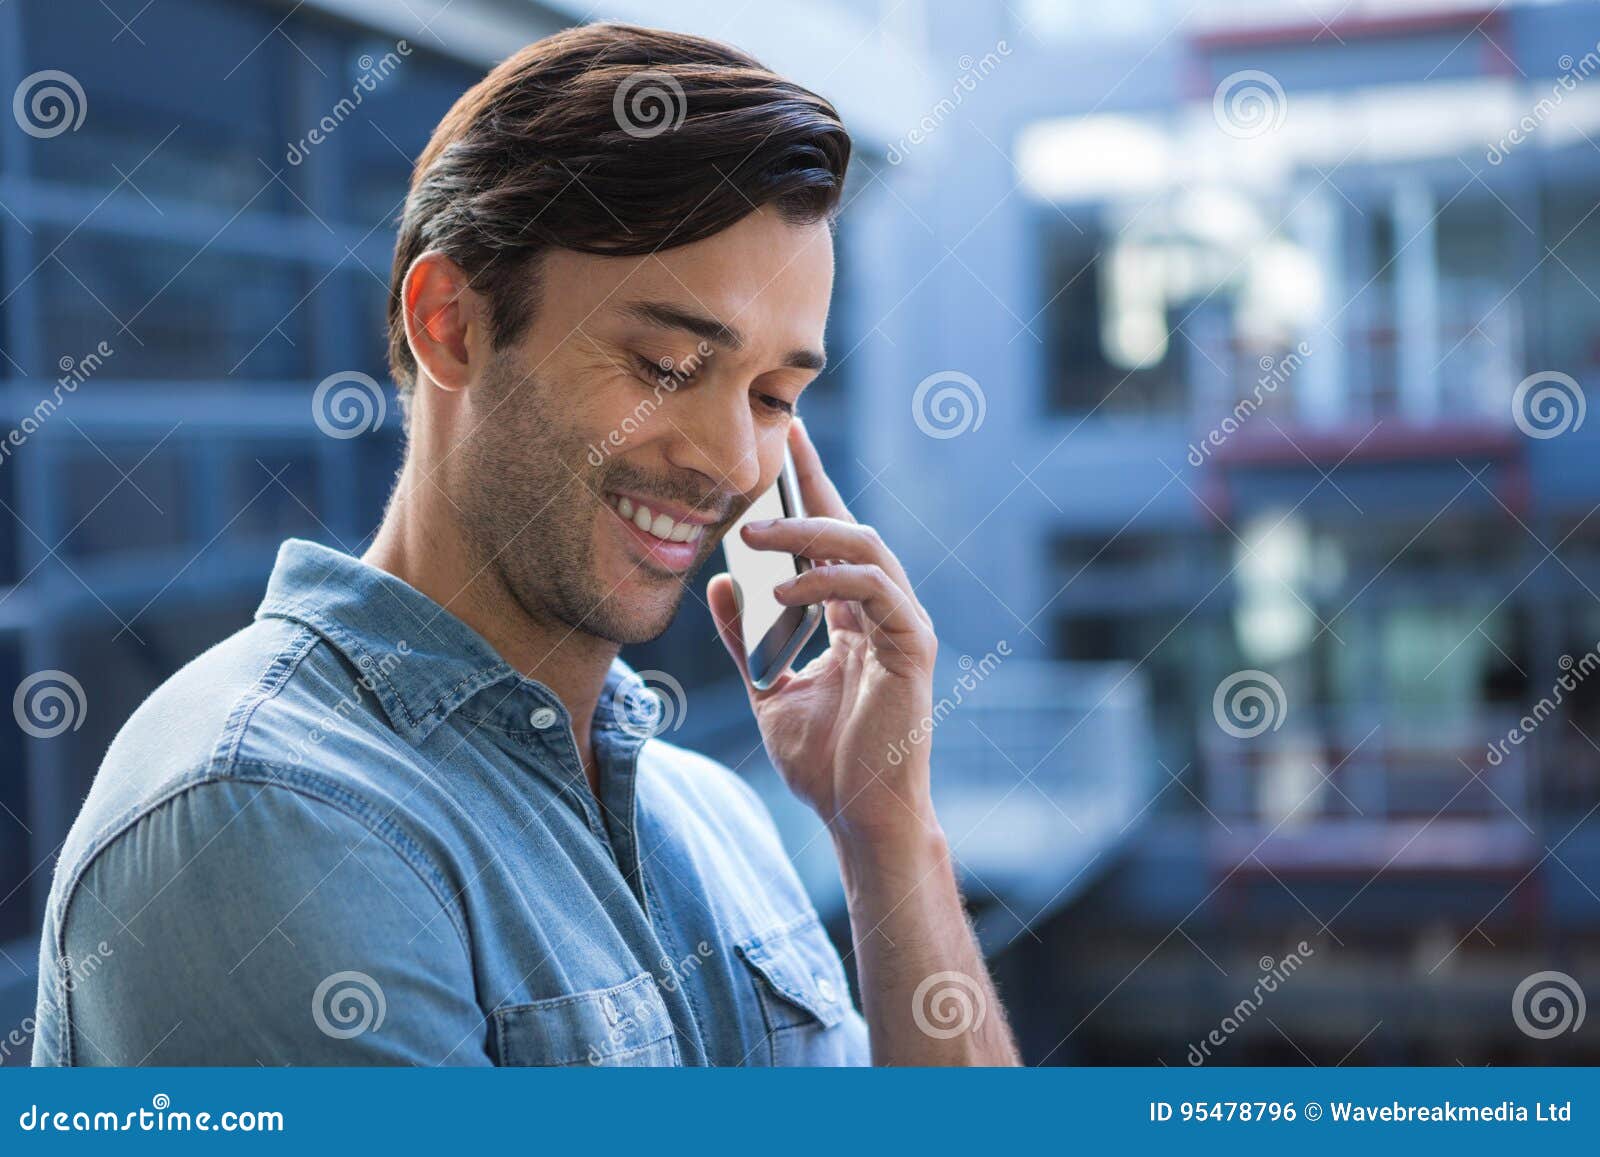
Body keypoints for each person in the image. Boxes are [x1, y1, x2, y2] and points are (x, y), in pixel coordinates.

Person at [32, 22, 1017, 1067]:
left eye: (776, 396)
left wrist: (889, 830)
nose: (734, 464)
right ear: (451, 322)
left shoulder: (716, 817)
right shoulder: (266, 811)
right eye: (666, 366)